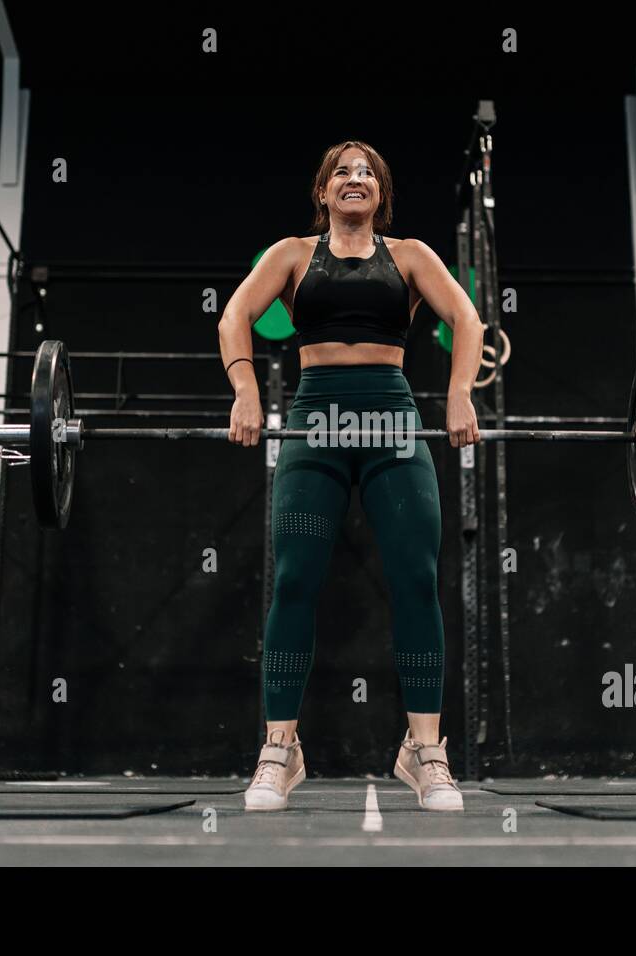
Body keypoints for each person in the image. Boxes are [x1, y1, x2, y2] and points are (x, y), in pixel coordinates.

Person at [217, 140, 485, 811]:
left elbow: (468, 319)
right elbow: (234, 317)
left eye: (367, 172)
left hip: (393, 421)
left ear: (381, 194)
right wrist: (245, 388)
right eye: (343, 171)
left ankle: (425, 752)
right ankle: (280, 748)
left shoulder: (413, 256)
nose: (355, 178)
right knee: (294, 579)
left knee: (416, 578)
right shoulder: (291, 255)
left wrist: (458, 391)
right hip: (316, 421)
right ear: (324, 191)